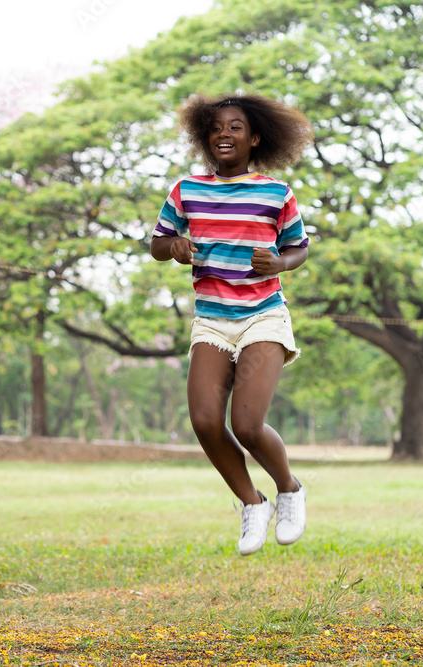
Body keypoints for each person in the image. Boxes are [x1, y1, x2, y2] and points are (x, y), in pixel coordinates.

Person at [150, 93, 315, 556]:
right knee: (204, 420)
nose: (225, 133)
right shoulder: (186, 190)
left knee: (246, 422)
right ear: (206, 137)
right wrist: (175, 246)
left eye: (236, 126)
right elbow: (157, 244)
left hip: (263, 313)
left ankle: (289, 488)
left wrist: (279, 261)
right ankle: (251, 502)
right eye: (217, 127)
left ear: (255, 137)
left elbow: (300, 247)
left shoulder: (275, 193)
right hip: (212, 318)